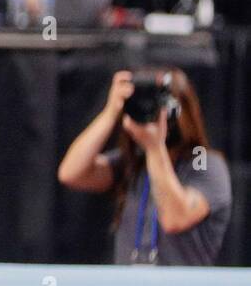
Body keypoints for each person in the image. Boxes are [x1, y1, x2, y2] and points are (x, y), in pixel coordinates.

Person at [58, 68, 232, 265]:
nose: (155, 115)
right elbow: (71, 173)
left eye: (160, 108)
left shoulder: (205, 164)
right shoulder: (132, 164)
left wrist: (155, 146)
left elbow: (175, 219)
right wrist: (111, 112)